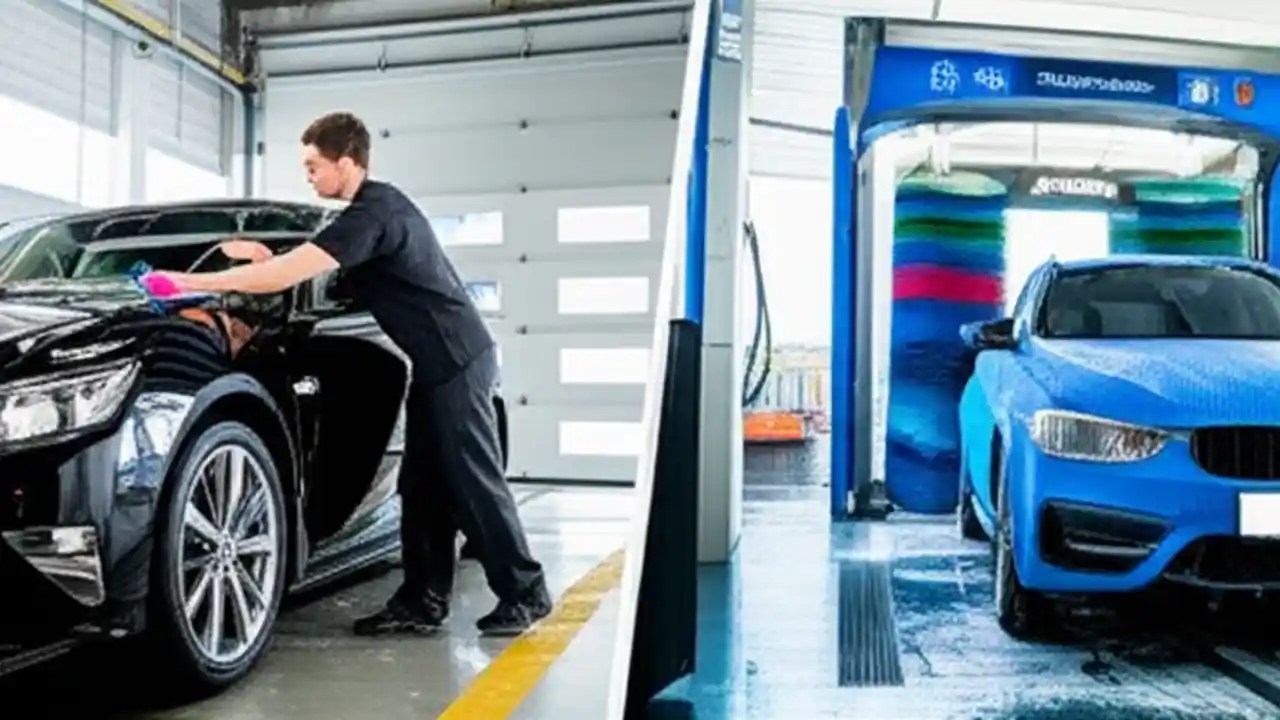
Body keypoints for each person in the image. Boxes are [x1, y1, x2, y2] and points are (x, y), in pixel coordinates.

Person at [150, 111, 552, 637]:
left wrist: (185, 283)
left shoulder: (374, 213)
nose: (308, 177)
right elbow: (304, 266)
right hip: (435, 364)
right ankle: (422, 601)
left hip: (457, 359)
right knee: (422, 486)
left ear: (345, 162)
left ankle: (526, 592)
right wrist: (266, 256)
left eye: (313, 166)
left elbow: (287, 275)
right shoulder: (367, 214)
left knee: (472, 480)